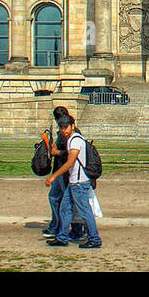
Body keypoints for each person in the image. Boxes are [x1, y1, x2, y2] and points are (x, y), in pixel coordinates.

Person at [44, 114, 101, 248]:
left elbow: (70, 162)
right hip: (74, 182)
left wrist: (53, 176)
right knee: (65, 208)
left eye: (66, 127)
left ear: (72, 126)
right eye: (61, 127)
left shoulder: (75, 140)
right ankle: (62, 237)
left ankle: (94, 238)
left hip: (79, 182)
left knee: (84, 211)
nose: (64, 130)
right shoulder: (71, 140)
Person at [41, 105, 86, 242]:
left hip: (66, 171)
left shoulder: (73, 133)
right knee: (60, 200)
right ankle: (59, 227)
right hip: (62, 170)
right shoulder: (63, 132)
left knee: (62, 200)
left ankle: (67, 229)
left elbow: (70, 153)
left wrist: (51, 148)